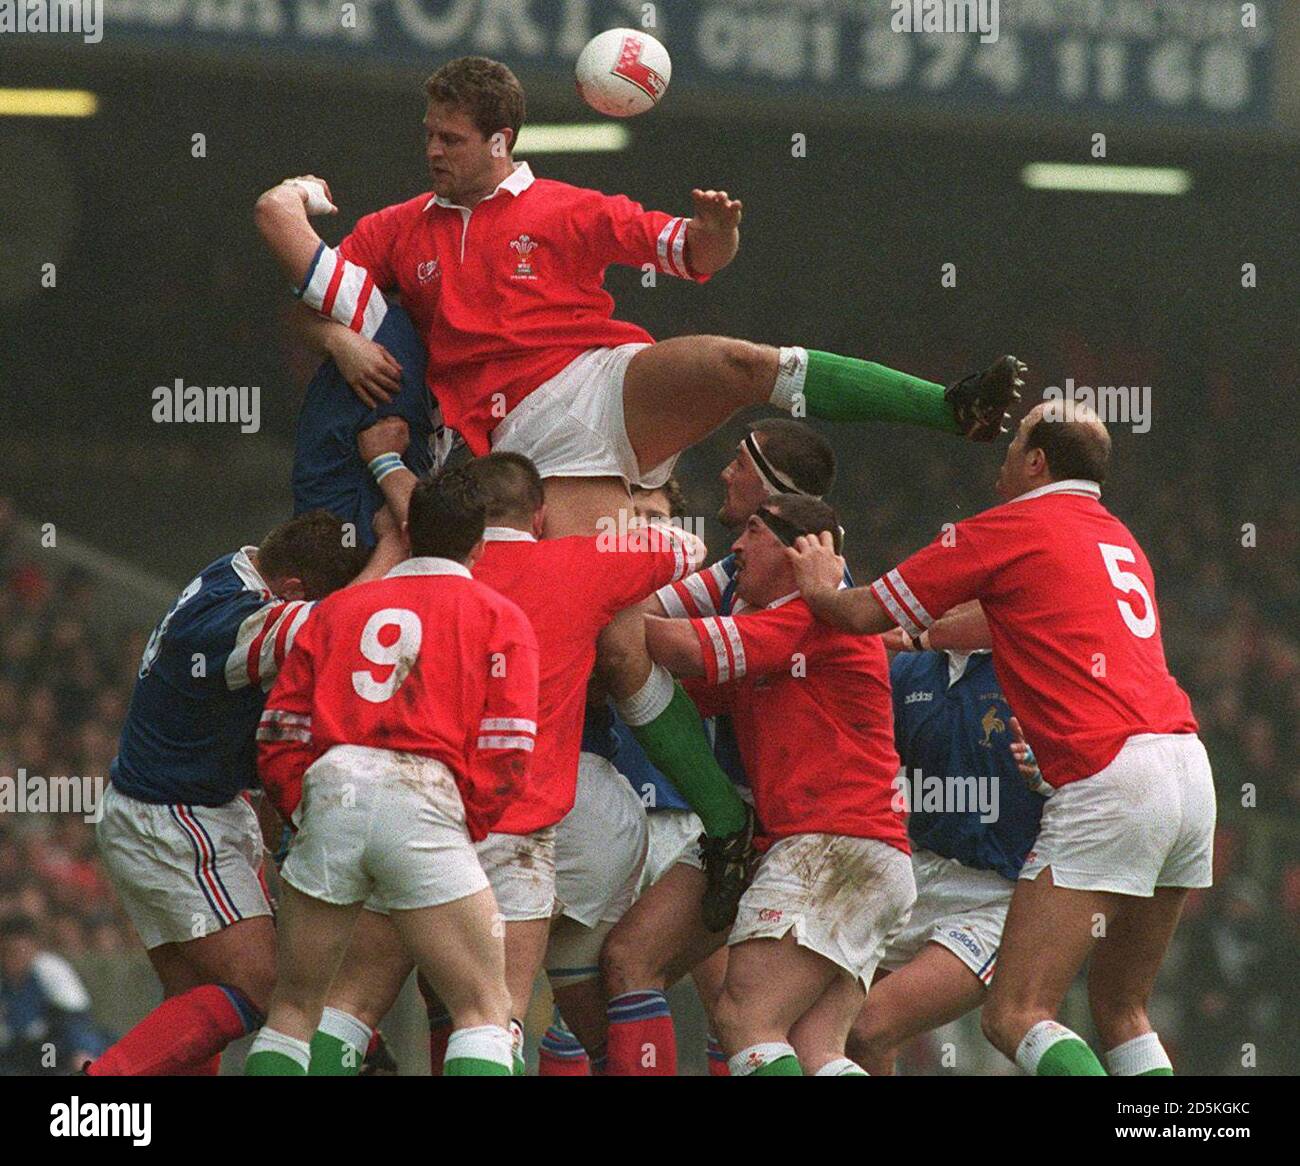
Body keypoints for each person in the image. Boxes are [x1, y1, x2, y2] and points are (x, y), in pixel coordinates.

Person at [253, 53, 1023, 891]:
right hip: (520, 435)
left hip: (603, 377)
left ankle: (955, 408)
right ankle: (727, 826)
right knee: (620, 645)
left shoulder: (565, 209)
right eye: (429, 134)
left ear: (500, 141)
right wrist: (337, 339)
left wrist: (717, 234)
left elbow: (691, 252)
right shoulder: (402, 228)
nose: (432, 150)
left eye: (451, 137)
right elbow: (308, 299)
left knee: (734, 362)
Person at [789, 401, 1215, 1076]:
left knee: (1015, 1014)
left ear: (1037, 461)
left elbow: (862, 612)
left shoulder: (1011, 526)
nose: (1003, 458)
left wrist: (818, 589)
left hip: (1111, 776)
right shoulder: (1118, 539)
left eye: (1013, 444)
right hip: (1188, 770)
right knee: (1123, 1012)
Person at [278, 451, 701, 1074]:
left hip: (406, 810)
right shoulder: (578, 564)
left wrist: (392, 472)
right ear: (540, 513)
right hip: (517, 820)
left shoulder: (400, 588)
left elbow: (287, 722)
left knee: (347, 1003)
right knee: (494, 1010)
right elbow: (686, 548)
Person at [87, 509, 402, 1076]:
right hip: (178, 822)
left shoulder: (237, 568)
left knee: (197, 1005)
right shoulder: (229, 621)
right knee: (274, 992)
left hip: (164, 812)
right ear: (291, 591)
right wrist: (395, 546)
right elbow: (334, 627)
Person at [249, 469, 540, 1075]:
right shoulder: (499, 615)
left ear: (408, 532)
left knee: (295, 1010)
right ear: (480, 542)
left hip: (333, 788)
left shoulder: (338, 609)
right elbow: (509, 745)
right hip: (425, 795)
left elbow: (278, 731)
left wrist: (304, 808)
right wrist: (467, 823)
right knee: (485, 1007)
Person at [596, 423, 841, 1074]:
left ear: (774, 495)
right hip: (747, 825)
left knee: (760, 1020)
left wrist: (587, 586)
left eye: (740, 463)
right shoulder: (741, 569)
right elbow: (650, 619)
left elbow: (660, 641)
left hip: (814, 832)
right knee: (629, 963)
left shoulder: (809, 597)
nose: (724, 473)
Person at [643, 495, 914, 1076]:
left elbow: (681, 648)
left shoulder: (811, 616)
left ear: (799, 551)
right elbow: (681, 692)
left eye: (754, 531)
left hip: (833, 844)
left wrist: (593, 605)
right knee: (816, 1049)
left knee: (745, 1019)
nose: (735, 546)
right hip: (865, 853)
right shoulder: (776, 632)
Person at [847, 645, 1049, 1074]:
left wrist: (1046, 776)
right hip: (917, 877)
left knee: (870, 1025)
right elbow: (874, 763)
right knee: (842, 1031)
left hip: (998, 897)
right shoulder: (909, 670)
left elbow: (1088, 773)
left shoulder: (1031, 664)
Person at [0, 915, 107, 1075]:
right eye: (9, 952)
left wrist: (82, 1050)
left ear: (33, 949)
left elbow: (75, 1019)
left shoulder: (50, 970)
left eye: (22, 951)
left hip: (52, 1047)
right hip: (14, 1053)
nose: (16, 959)